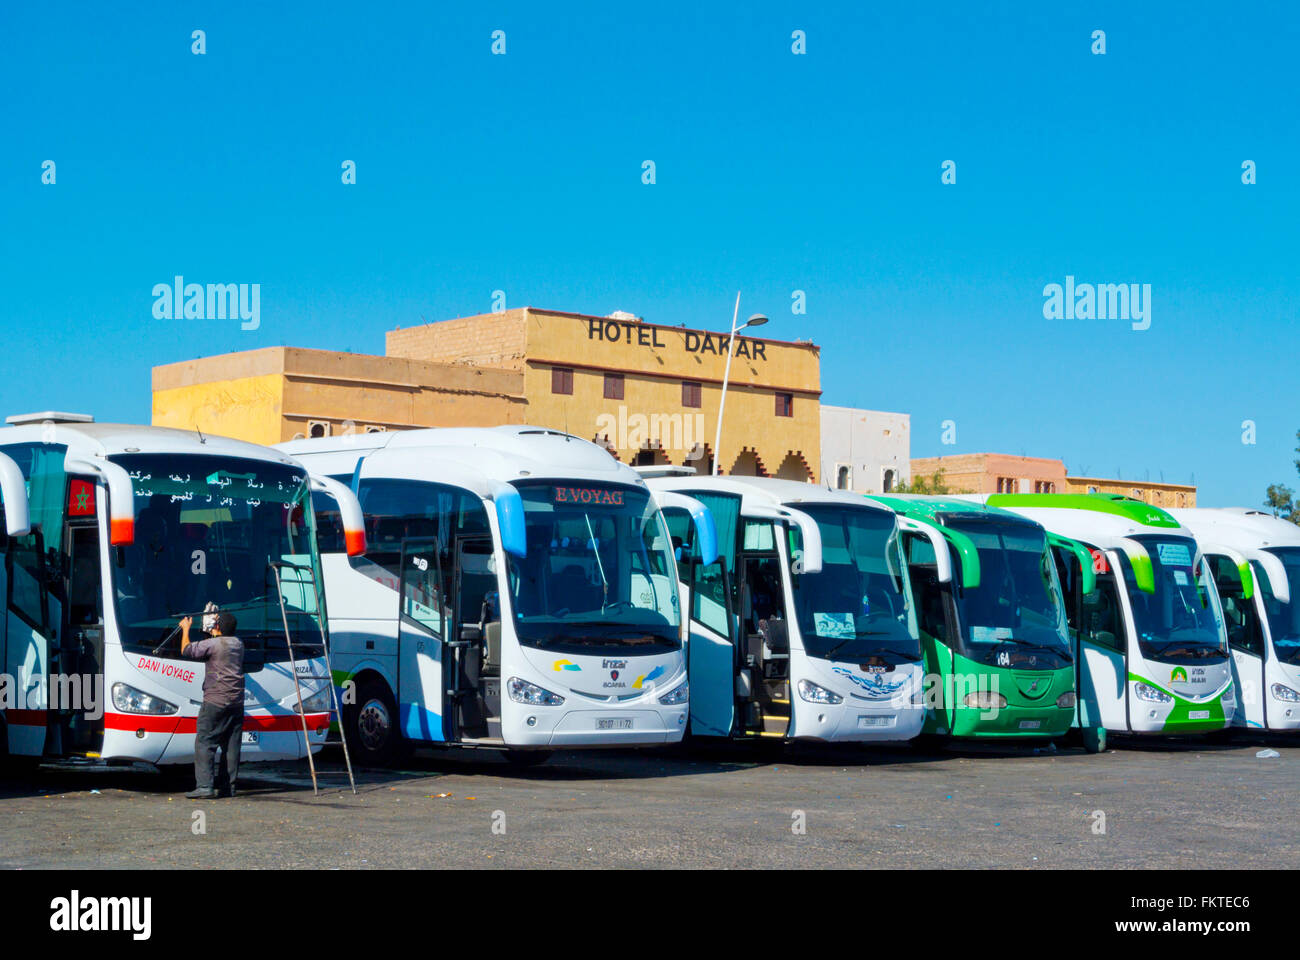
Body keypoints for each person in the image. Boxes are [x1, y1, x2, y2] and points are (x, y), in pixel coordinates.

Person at [179, 609, 245, 799]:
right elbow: (219, 641)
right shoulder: (239, 644)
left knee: (205, 742)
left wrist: (186, 629)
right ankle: (228, 787)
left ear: (217, 627)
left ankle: (204, 787)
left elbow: (187, 650)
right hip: (236, 702)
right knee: (231, 746)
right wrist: (214, 629)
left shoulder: (214, 645)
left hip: (215, 701)